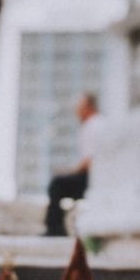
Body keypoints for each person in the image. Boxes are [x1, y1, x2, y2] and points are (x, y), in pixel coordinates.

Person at [44, 92, 103, 237]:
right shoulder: (97, 124)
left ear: (88, 107)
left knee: (57, 184)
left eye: (79, 107)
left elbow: (91, 161)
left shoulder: (93, 125)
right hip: (96, 177)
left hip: (95, 179)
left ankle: (55, 229)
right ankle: (56, 227)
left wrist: (71, 171)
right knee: (59, 182)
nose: (76, 111)